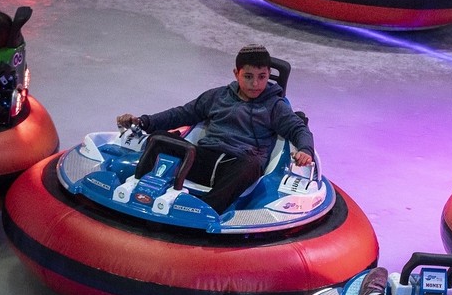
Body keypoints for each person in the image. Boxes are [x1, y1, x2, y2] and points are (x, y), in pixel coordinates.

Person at [115, 44, 314, 214]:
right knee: (158, 139)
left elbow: (298, 129)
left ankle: (206, 210)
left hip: (237, 165)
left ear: (269, 75)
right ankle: (138, 190)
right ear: (236, 74)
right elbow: (181, 114)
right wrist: (143, 121)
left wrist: (305, 150)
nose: (256, 84)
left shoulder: (275, 106)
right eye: (248, 76)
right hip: (201, 158)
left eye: (262, 77)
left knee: (251, 165)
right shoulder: (218, 96)